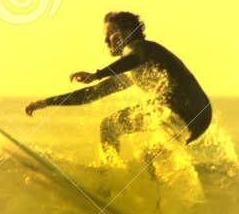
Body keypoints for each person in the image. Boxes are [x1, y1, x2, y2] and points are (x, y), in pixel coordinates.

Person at [25, 11, 212, 161]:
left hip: (183, 109)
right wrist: (46, 102)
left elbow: (133, 59)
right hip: (198, 117)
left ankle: (109, 173)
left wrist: (97, 74)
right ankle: (156, 202)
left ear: (127, 33)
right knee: (150, 157)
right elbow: (94, 93)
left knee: (109, 126)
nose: (106, 41)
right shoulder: (134, 68)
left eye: (110, 34)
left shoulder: (139, 47)